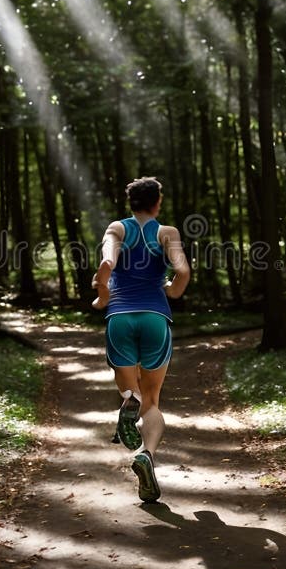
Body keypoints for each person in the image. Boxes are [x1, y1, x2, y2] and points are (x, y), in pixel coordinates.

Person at [91, 177, 190, 503]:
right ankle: (146, 452)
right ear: (157, 203)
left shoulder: (117, 228)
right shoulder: (167, 233)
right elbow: (182, 272)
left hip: (119, 317)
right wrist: (173, 290)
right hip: (154, 317)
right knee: (152, 399)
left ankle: (127, 399)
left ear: (131, 202)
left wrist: (103, 291)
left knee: (129, 388)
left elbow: (108, 262)